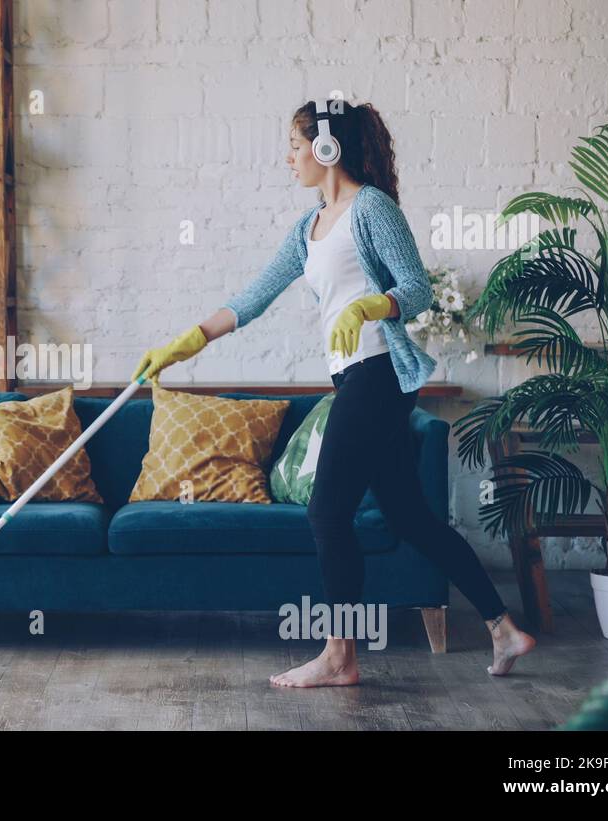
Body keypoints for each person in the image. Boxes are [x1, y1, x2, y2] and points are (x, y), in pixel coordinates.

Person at [132, 99, 536, 688]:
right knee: (411, 517)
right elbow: (251, 298)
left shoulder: (370, 208)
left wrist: (371, 305)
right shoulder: (309, 227)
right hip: (354, 378)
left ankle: (340, 656)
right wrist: (183, 343)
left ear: (327, 149)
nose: (288, 158)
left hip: (377, 373)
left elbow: (416, 289)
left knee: (326, 512)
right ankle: (503, 628)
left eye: (295, 146)